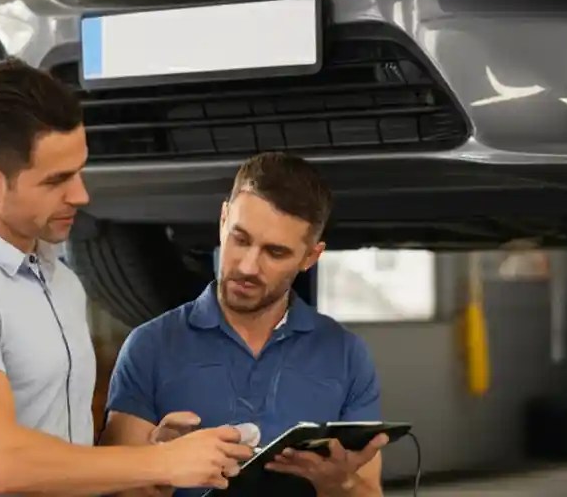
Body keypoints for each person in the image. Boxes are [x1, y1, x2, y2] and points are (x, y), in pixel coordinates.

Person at [0, 58, 253, 496]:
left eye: (80, 169)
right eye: (57, 180)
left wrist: (143, 465)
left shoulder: (58, 279)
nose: (81, 194)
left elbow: (57, 453)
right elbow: (4, 464)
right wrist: (156, 461)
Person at [99, 151, 390, 497]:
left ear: (310, 257)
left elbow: (369, 491)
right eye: (240, 239)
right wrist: (158, 468)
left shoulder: (345, 354)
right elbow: (115, 491)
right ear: (223, 220)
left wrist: (336, 484)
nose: (248, 266)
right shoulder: (150, 346)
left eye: (275, 252)